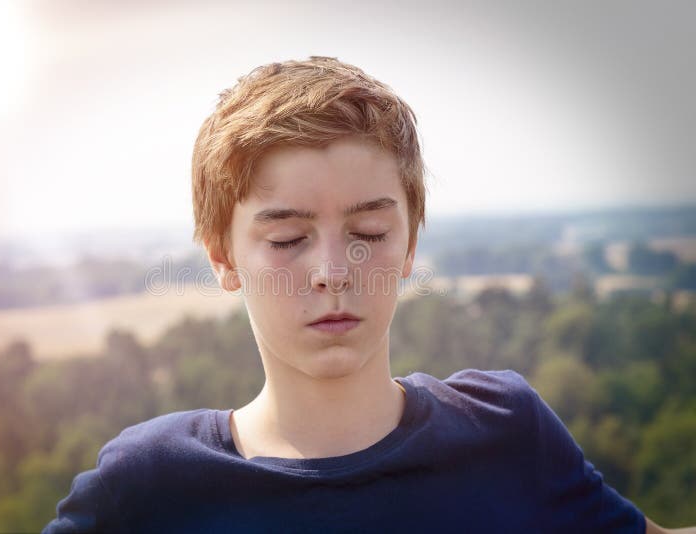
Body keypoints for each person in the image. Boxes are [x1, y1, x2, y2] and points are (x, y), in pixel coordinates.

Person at [43, 56, 690, 533]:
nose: (333, 270)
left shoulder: (507, 434)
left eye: (369, 232)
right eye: (289, 238)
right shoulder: (149, 486)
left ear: (409, 246)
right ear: (222, 256)